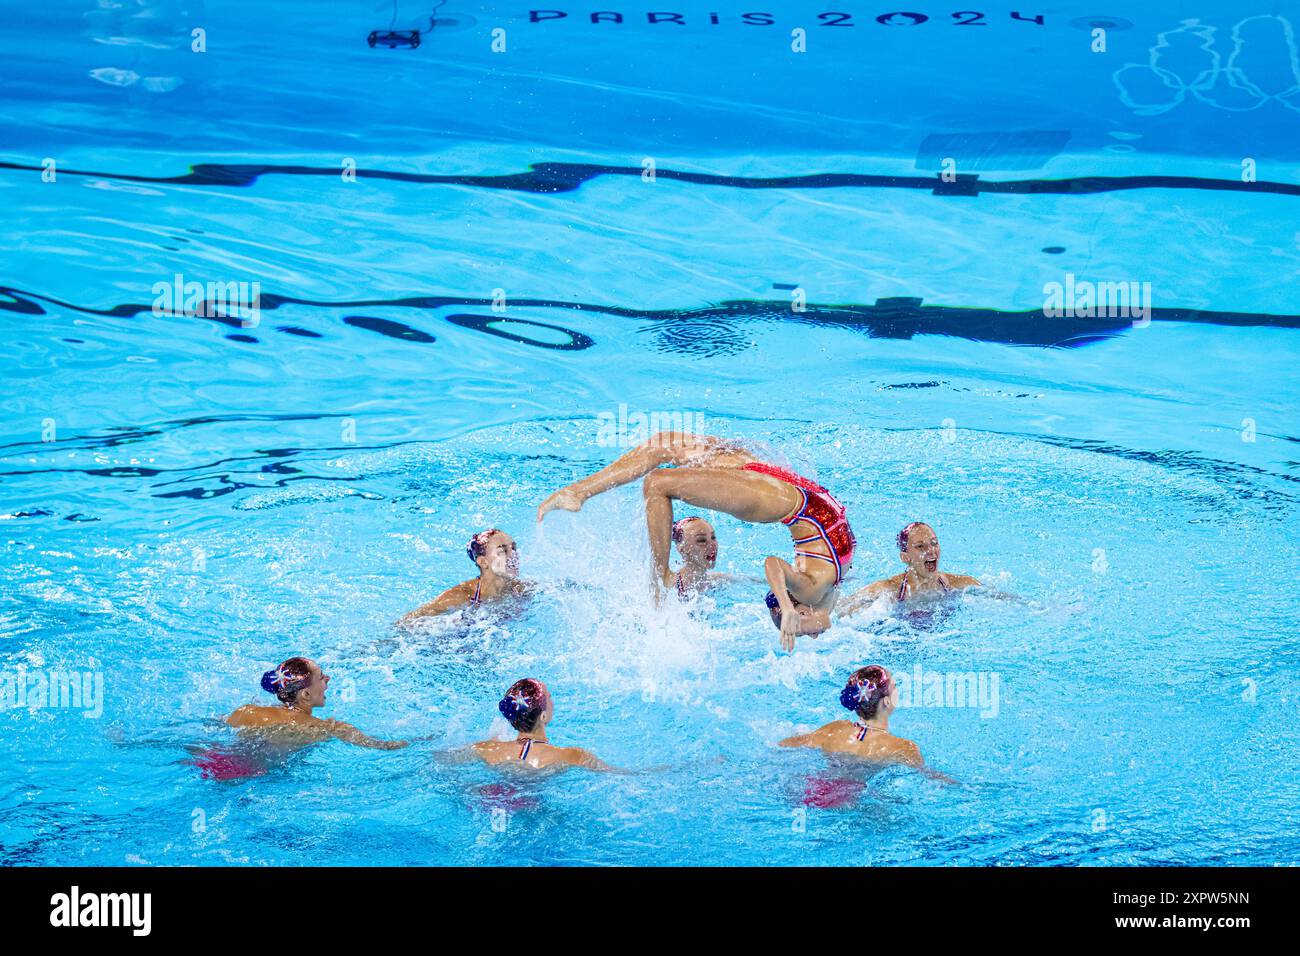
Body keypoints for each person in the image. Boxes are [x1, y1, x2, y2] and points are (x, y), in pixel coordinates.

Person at [538, 432, 854, 649]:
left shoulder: (813, 590)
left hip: (789, 498)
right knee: (663, 446)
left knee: (658, 480)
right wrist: (792, 615)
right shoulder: (820, 597)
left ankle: (660, 578)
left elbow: (774, 566)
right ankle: (578, 493)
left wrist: (786, 608)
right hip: (794, 490)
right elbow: (821, 621)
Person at [779, 665, 954, 783]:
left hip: (816, 785)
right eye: (895, 686)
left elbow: (785, 744)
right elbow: (931, 777)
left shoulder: (834, 729)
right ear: (886, 701)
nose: (897, 689)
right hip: (850, 798)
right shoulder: (903, 747)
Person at [223, 657, 409, 751]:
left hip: (213, 760)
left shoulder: (247, 711)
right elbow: (382, 746)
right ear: (305, 694)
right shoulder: (328, 728)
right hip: (250, 776)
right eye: (321, 677)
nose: (328, 679)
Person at [468, 678, 613, 771]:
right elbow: (616, 774)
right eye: (549, 698)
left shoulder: (486, 748)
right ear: (542, 716)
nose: (552, 703)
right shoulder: (573, 755)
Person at [839, 522, 979, 615]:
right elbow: (840, 609)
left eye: (934, 543)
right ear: (905, 557)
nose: (931, 551)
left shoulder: (960, 584)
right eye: (920, 546)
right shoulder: (891, 589)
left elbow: (997, 597)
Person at [400, 528, 526, 621]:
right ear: (483, 562)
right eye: (502, 550)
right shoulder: (462, 595)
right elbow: (408, 620)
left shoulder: (522, 590)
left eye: (513, 548)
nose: (513, 555)